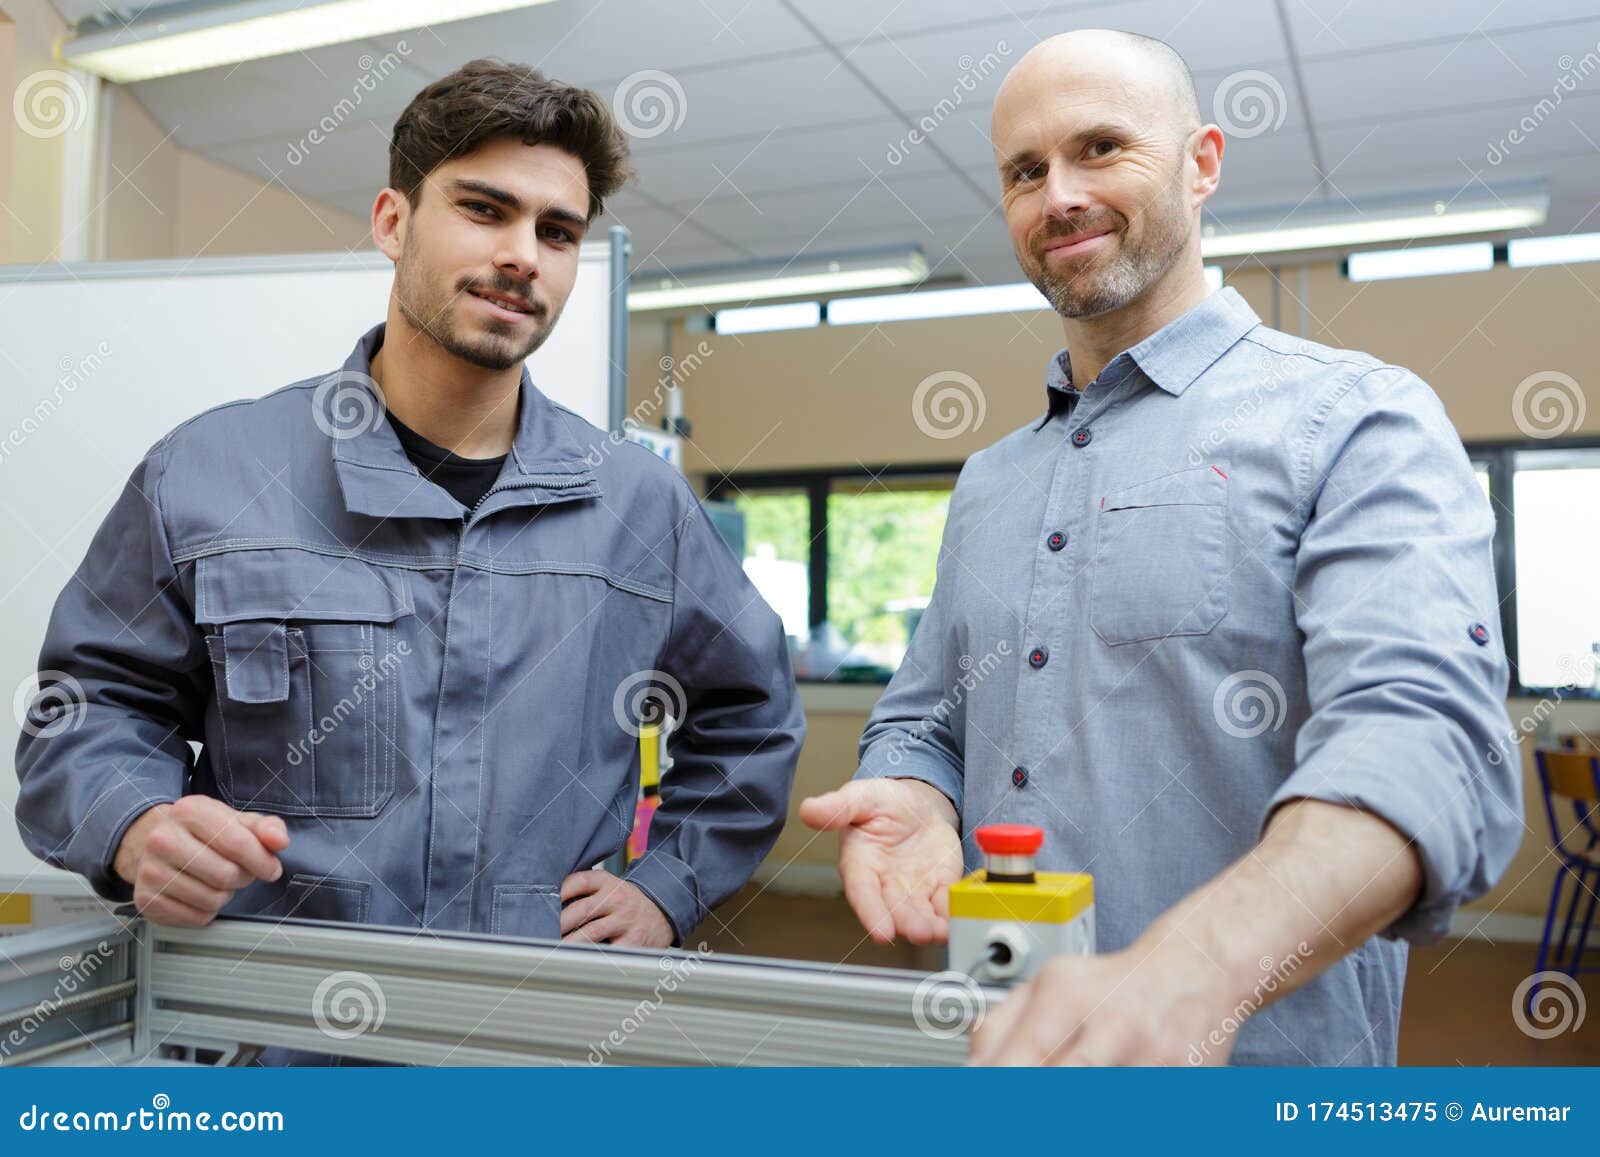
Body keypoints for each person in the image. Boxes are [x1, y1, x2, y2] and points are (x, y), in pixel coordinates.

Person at [14, 59, 804, 1045]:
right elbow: (88, 709)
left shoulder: (639, 505)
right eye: (484, 209)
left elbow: (751, 716)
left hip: (533, 1042)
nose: (523, 255)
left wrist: (667, 884)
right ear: (393, 221)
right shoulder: (211, 472)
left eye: (556, 232)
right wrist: (133, 821)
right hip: (265, 1038)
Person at [800, 30, 1519, 1066]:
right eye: (1024, 170)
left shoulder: (1357, 418)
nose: (1059, 196)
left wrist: (1195, 966)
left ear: (1201, 163)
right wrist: (914, 786)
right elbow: (927, 719)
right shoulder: (990, 481)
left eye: (1100, 148)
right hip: (1002, 1046)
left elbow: (1426, 745)